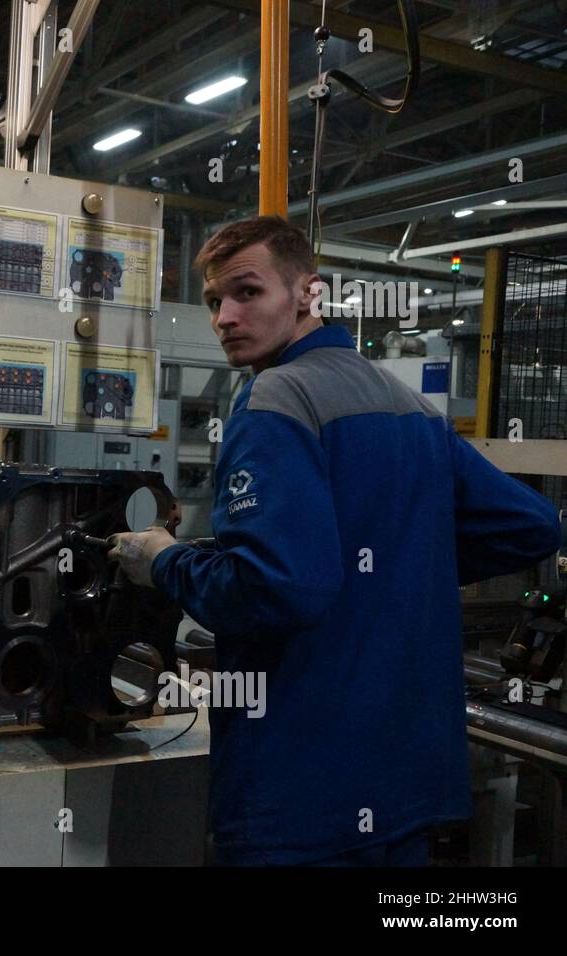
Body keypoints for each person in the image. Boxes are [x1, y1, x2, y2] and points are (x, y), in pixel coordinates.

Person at [108, 215, 561, 866]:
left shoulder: (276, 401)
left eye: (247, 292)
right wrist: (401, 561)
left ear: (307, 295)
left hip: (302, 788)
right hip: (406, 787)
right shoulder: (408, 405)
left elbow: (276, 589)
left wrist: (166, 562)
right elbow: (534, 526)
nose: (225, 317)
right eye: (214, 301)